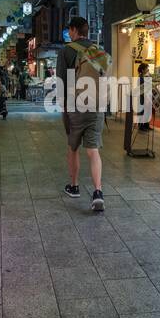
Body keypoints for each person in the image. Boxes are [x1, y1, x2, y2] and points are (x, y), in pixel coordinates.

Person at [59, 16, 110, 211]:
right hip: (97, 106)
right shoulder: (99, 51)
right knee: (93, 150)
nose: (69, 34)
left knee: (73, 148)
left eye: (69, 31)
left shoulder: (67, 51)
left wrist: (64, 106)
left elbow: (63, 80)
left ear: (73, 30)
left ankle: (74, 186)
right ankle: (98, 191)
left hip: (76, 105)